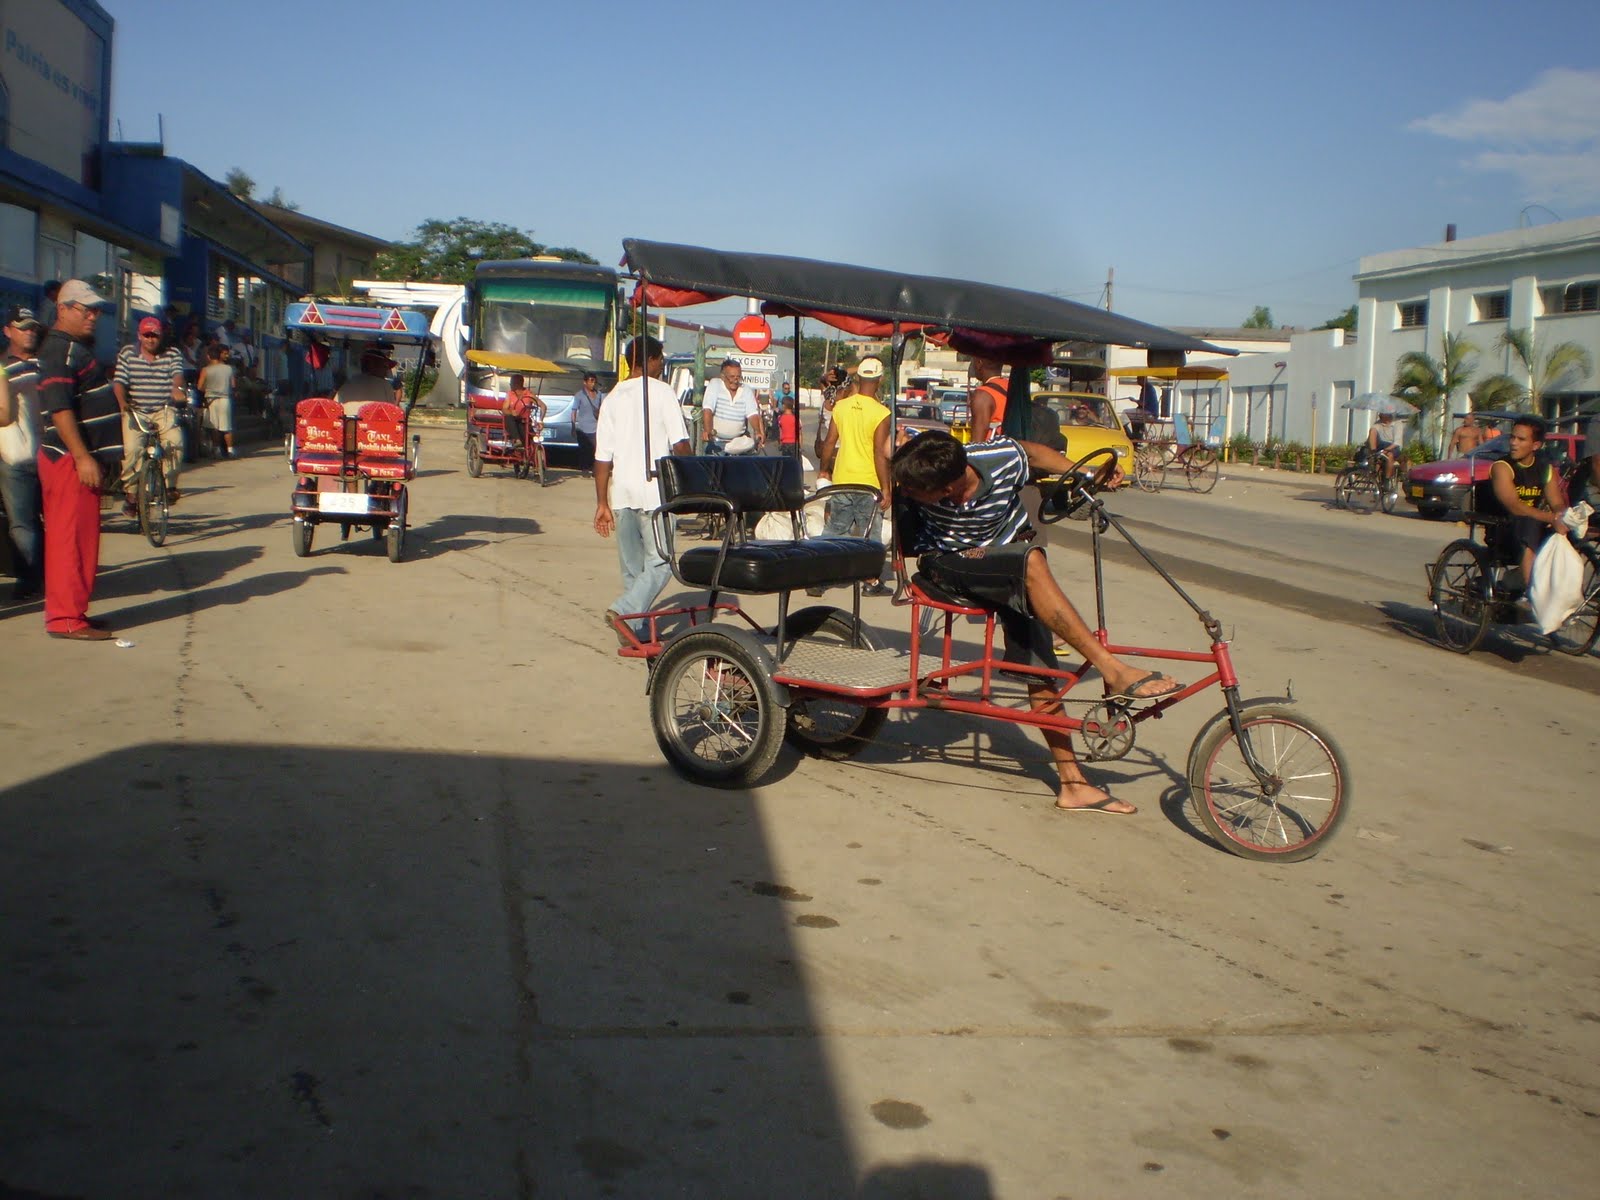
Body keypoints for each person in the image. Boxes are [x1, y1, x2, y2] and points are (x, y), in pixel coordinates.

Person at [891, 429, 1182, 813]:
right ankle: (1112, 668)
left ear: (947, 487)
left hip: (1009, 561)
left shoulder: (998, 457)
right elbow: (902, 511)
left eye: (914, 491)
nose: (907, 495)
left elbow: (1034, 452)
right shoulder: (923, 489)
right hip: (950, 563)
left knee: (1039, 671)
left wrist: (1084, 474)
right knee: (1030, 562)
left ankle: (1074, 785)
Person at [36, 279, 120, 641]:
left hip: (77, 460)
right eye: (86, 309)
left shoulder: (73, 348)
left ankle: (74, 612)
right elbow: (60, 409)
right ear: (63, 309)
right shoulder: (59, 350)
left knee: (82, 539)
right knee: (69, 540)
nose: (93, 316)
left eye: (96, 310)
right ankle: (66, 618)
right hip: (68, 460)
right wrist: (82, 456)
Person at [593, 335, 691, 643]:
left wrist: (601, 503)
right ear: (649, 360)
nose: (662, 364)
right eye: (660, 358)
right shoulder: (662, 393)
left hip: (621, 494)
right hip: (655, 494)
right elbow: (681, 444)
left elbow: (601, 458)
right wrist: (693, 481)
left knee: (633, 571)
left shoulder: (611, 399)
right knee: (662, 564)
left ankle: (631, 632)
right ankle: (623, 610)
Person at [811, 356, 894, 597]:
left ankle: (818, 578)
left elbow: (829, 443)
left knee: (835, 528)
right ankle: (870, 581)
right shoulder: (881, 412)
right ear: (879, 380)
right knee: (870, 533)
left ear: (858, 378)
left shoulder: (842, 406)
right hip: (868, 483)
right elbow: (880, 453)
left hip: (843, 479)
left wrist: (824, 469)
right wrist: (886, 487)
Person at [114, 317, 186, 513]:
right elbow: (119, 382)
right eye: (146, 335)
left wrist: (177, 390)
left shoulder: (172, 354)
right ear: (139, 336)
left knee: (175, 442)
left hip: (163, 409)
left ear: (161, 336)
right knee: (131, 451)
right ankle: (131, 493)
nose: (150, 339)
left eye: (154, 335)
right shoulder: (128, 353)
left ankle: (169, 486)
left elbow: (177, 375)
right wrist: (122, 404)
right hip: (135, 410)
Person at [0, 306, 46, 603]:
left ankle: (44, 575)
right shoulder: (3, 366)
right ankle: (29, 579)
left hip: (52, 454)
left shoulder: (49, 364)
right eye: (22, 327)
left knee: (41, 521)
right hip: (15, 456)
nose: (29, 332)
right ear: (8, 331)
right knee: (22, 523)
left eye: (33, 327)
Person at [1488, 415, 1567, 585]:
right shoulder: (1502, 467)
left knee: (1571, 531)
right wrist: (1551, 518)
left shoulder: (1545, 468)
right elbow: (1514, 506)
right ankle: (1530, 594)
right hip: (1504, 529)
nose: (1513, 443)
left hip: (1535, 524)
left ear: (1536, 445)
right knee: (1529, 524)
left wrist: (1563, 515)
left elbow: (1557, 502)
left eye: (1521, 439)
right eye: (1512, 437)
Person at [702, 358, 763, 453]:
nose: (735, 380)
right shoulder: (715, 385)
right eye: (731, 377)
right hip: (717, 442)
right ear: (723, 376)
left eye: (738, 377)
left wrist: (757, 431)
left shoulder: (746, 390)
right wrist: (707, 430)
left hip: (739, 443)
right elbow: (708, 409)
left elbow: (752, 414)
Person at [196, 343, 237, 457]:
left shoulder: (205, 370)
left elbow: (199, 386)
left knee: (215, 427)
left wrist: (208, 389)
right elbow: (233, 385)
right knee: (227, 427)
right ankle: (230, 450)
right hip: (225, 399)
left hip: (211, 400)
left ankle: (217, 449)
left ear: (208, 357)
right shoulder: (229, 368)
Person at [336, 345, 397, 416]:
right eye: (385, 367)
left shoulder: (348, 383)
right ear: (373, 365)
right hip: (373, 425)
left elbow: (336, 405)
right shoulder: (385, 385)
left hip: (349, 424)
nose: (386, 371)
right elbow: (391, 411)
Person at [965, 356, 1009, 441]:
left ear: (979, 363)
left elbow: (977, 444)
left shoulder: (982, 395)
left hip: (994, 452)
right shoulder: (1010, 387)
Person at [571, 370, 604, 473]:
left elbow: (602, 409)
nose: (592, 383)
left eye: (594, 381)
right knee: (585, 449)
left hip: (596, 427)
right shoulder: (579, 395)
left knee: (596, 449)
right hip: (583, 428)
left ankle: (595, 469)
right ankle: (584, 468)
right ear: (585, 382)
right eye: (590, 381)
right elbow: (574, 411)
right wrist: (573, 426)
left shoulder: (599, 394)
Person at [502, 373, 547, 442]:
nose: (510, 385)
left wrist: (540, 421)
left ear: (518, 384)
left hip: (525, 421)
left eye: (512, 383)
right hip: (513, 420)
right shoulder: (510, 394)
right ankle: (517, 440)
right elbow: (504, 409)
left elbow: (543, 406)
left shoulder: (529, 394)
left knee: (527, 431)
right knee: (508, 417)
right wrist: (511, 412)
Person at [1366, 411, 1405, 486]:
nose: (1380, 415)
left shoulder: (1397, 424)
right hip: (1381, 445)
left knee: (1389, 455)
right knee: (1373, 430)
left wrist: (1386, 450)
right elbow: (1372, 434)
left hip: (1393, 446)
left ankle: (1386, 480)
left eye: (1382, 413)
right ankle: (1374, 458)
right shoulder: (1378, 424)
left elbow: (1397, 443)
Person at [777, 392, 802, 465]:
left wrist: (780, 443)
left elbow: (780, 432)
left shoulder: (780, 418)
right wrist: (800, 447)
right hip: (794, 443)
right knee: (795, 463)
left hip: (785, 443)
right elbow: (800, 433)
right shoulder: (796, 418)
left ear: (784, 406)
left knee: (786, 463)